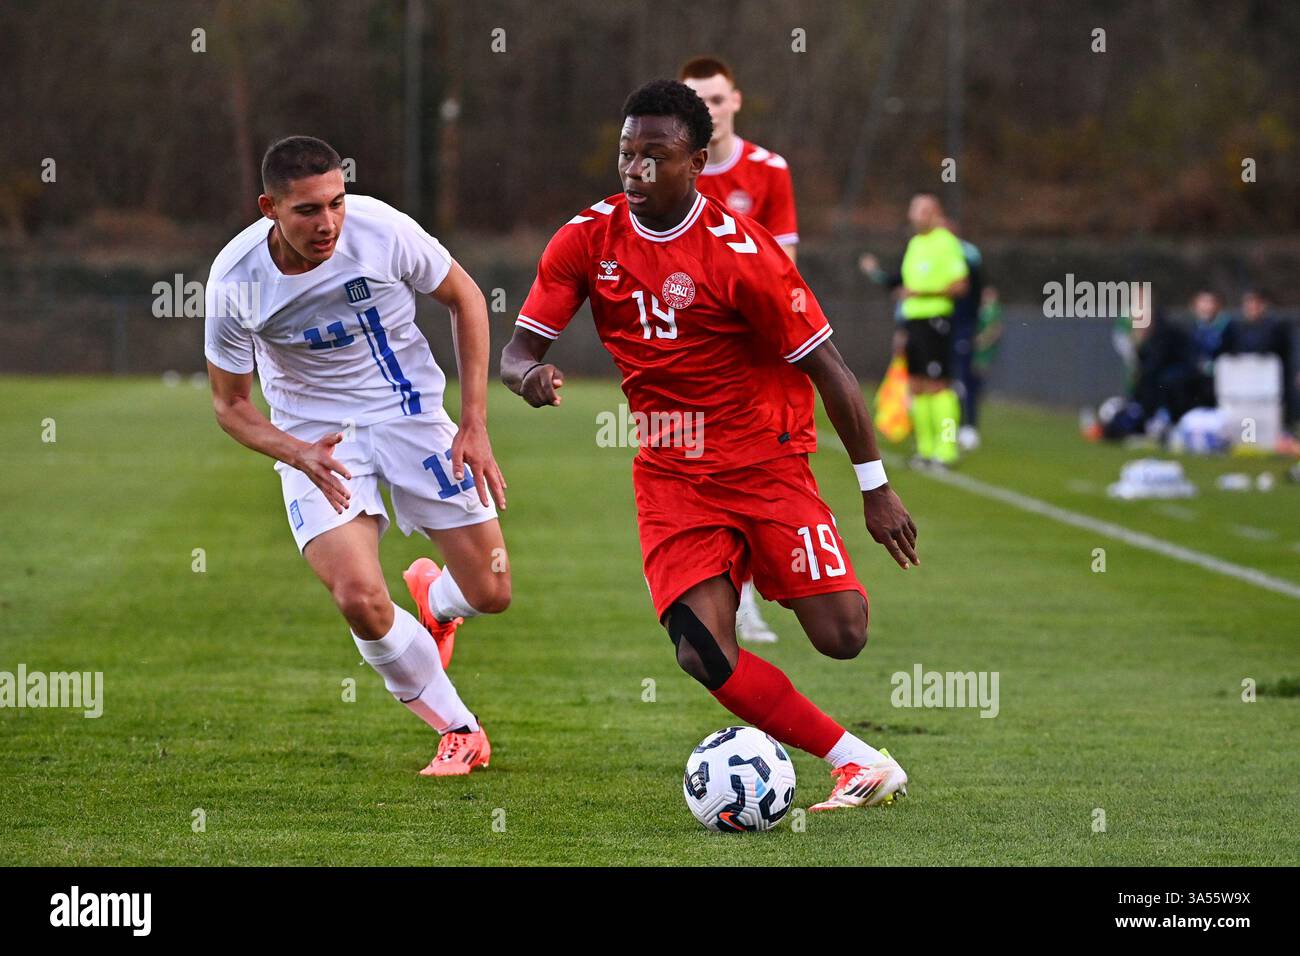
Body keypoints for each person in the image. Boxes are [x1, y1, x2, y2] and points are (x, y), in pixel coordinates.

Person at [501, 80, 919, 812]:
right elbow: (516, 350)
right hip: (670, 472)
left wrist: (875, 485)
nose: (633, 171)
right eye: (626, 155)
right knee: (701, 649)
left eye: (653, 157)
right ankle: (856, 762)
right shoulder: (587, 238)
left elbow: (831, 368)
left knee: (843, 633)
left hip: (762, 459)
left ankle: (765, 560)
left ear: (695, 162)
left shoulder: (744, 254)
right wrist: (529, 374)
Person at [204, 136, 510, 778]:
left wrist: (475, 422)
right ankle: (460, 729)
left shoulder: (381, 229)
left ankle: (437, 602)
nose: (328, 223)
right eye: (308, 210)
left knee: (492, 591)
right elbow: (231, 405)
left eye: (336, 203)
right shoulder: (235, 282)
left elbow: (466, 298)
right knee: (359, 598)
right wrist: (296, 454)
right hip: (317, 441)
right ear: (269, 209)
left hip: (412, 417)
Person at [681, 55, 797, 643]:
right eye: (696, 100)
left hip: (754, 358)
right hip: (690, 362)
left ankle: (759, 586)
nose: (710, 110)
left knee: (757, 472)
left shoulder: (769, 171)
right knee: (695, 479)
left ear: (737, 101)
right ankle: (721, 595)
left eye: (717, 99)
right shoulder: (675, 171)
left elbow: (785, 267)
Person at [861, 193, 969, 468]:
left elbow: (960, 285)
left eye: (919, 211)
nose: (913, 216)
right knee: (917, 385)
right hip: (913, 323)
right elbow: (901, 284)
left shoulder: (946, 243)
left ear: (934, 213)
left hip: (936, 320)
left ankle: (946, 450)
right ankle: (926, 449)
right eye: (913, 210)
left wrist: (920, 293)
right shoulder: (915, 244)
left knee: (938, 386)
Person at [1221, 288, 1295, 428]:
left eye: (1256, 303)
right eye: (1249, 303)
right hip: (1242, 383)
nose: (1252, 307)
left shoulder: (1275, 328)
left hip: (1268, 385)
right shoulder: (1234, 328)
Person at [1187, 290, 1228, 409]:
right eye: (1202, 302)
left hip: (1221, 371)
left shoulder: (1227, 328)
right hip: (1195, 373)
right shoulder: (1189, 329)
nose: (1206, 307)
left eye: (1210, 302)